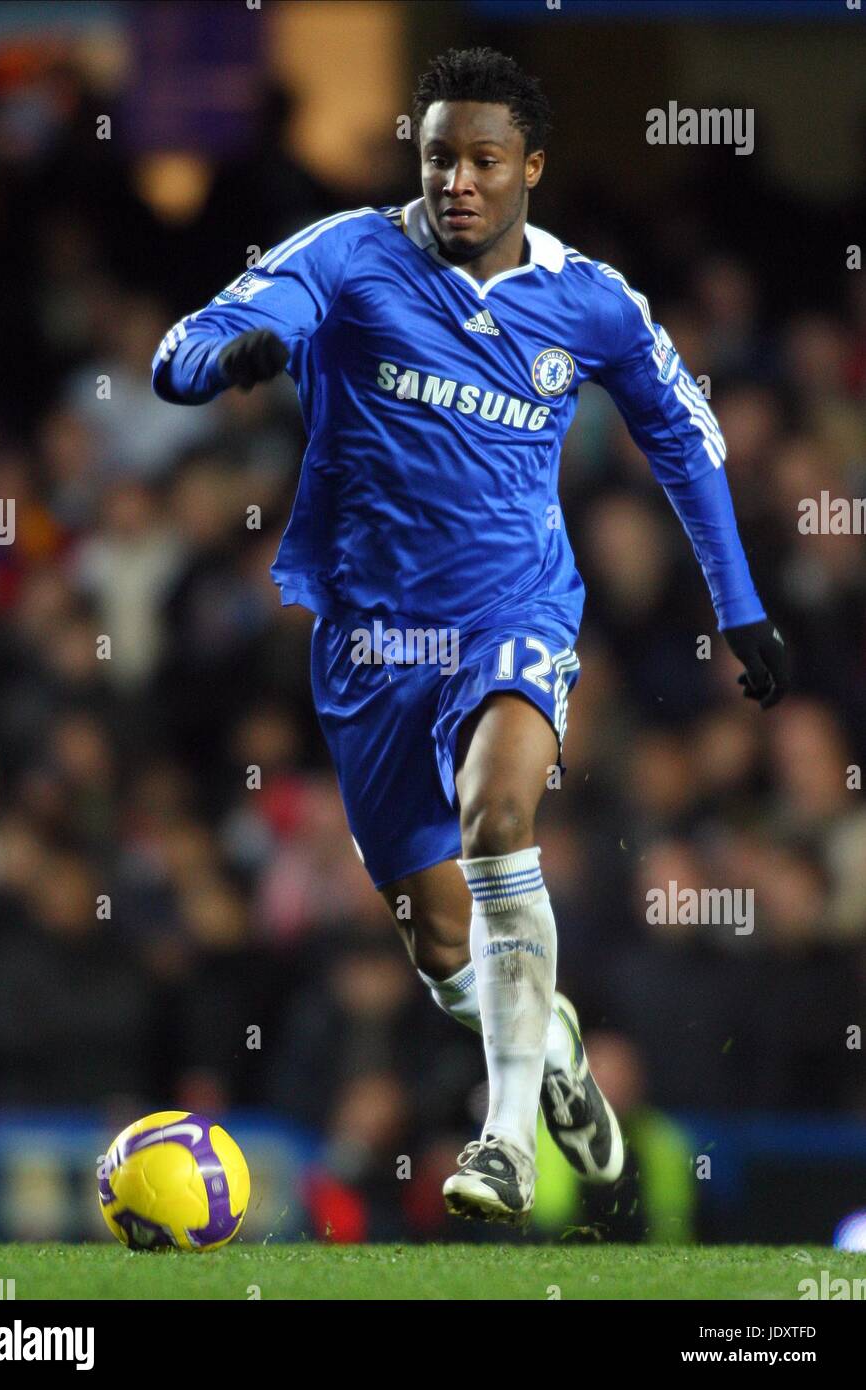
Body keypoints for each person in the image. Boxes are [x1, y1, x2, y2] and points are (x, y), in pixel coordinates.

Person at [151, 47, 788, 1224]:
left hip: (513, 613)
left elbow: (684, 440)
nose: (455, 179)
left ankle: (499, 1141)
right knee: (446, 952)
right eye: (438, 154)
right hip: (366, 647)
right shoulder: (346, 255)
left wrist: (736, 601)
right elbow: (190, 341)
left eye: (482, 159)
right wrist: (216, 365)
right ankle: (554, 1062)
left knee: (501, 819)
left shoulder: (589, 298)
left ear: (528, 168)